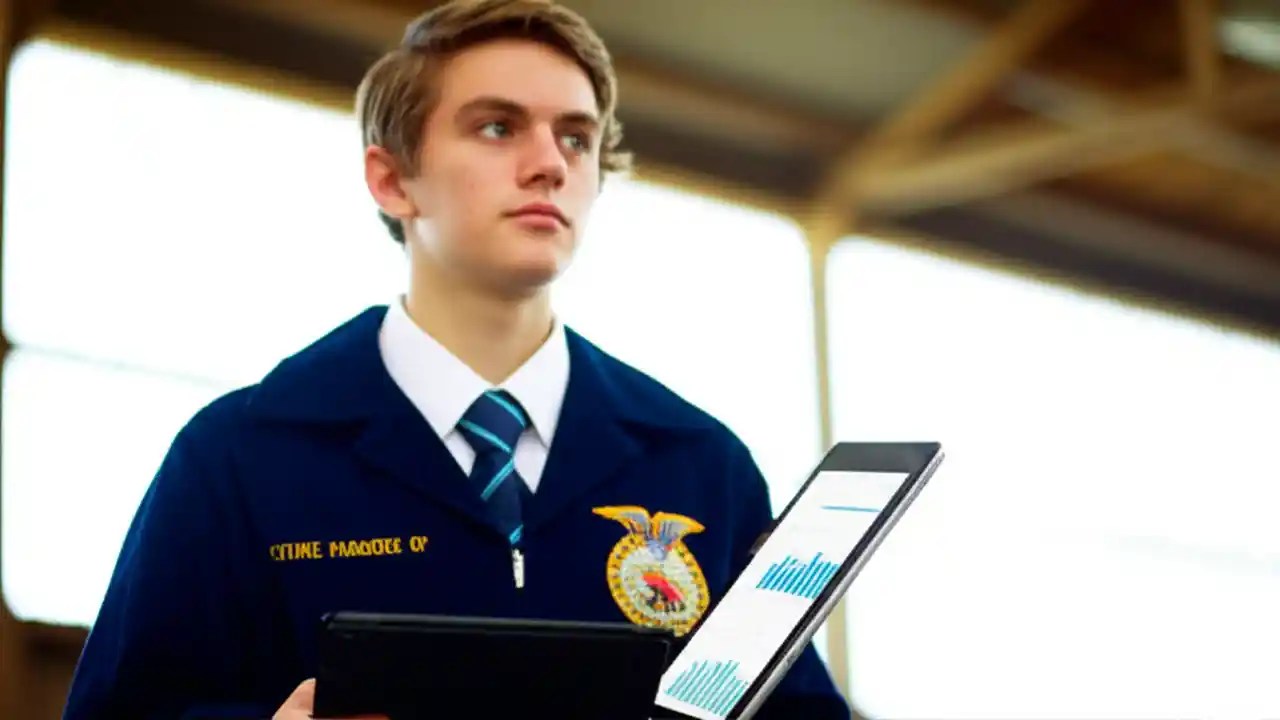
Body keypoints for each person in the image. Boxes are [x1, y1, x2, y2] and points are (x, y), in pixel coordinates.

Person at [61, 1, 851, 718]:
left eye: (575, 137)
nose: (551, 163)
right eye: (498, 127)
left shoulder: (702, 469)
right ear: (392, 179)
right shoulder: (237, 457)